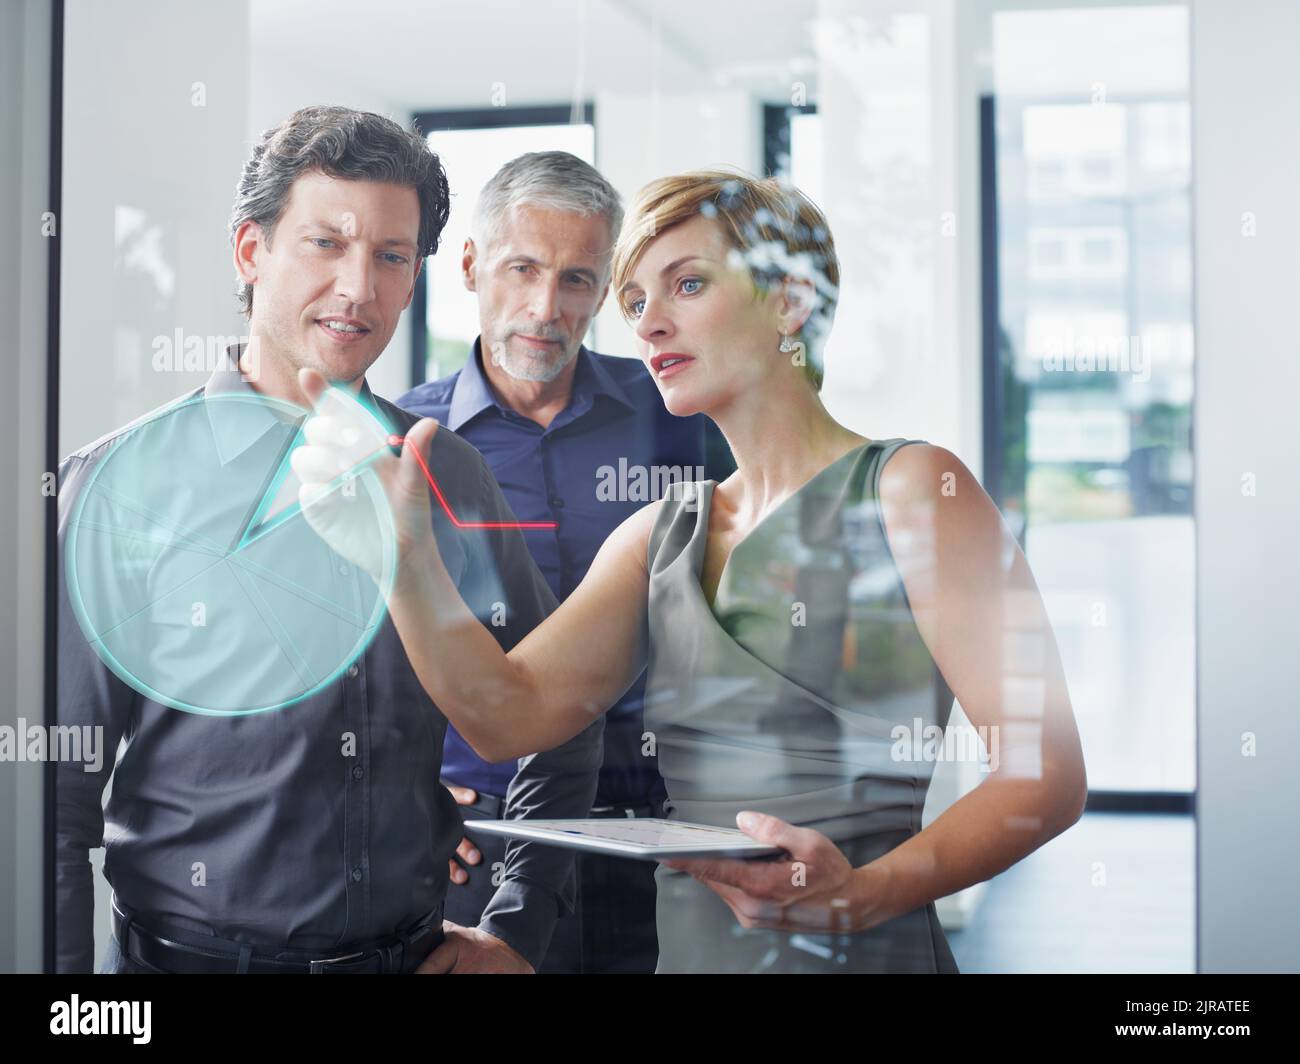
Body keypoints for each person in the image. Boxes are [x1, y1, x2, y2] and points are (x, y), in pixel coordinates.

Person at [293, 168, 1089, 973]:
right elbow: (507, 714)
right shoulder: (662, 532)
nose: (649, 324)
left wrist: (862, 896)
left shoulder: (917, 489)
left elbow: (1045, 776)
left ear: (790, 300)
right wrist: (403, 561)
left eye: (688, 284)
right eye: (635, 301)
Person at [54, 105, 602, 974]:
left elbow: (563, 714)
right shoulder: (121, 488)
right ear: (250, 252)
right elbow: (51, 807)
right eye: (326, 245)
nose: (360, 288)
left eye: (392, 256)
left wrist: (517, 928)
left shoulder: (450, 476)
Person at [398, 151, 730, 973]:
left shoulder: (679, 419)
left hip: (653, 835)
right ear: (472, 266)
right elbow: (370, 654)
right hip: (478, 841)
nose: (547, 308)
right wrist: (403, 802)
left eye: (578, 280)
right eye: (522, 269)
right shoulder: (407, 441)